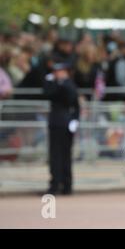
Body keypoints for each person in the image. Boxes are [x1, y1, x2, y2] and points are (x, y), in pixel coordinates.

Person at [43, 60, 80, 195]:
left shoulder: (68, 84)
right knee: (55, 156)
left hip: (65, 124)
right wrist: (50, 82)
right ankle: (56, 184)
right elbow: (47, 94)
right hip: (56, 123)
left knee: (64, 156)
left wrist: (75, 120)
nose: (57, 74)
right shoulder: (55, 84)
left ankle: (66, 185)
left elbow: (74, 103)